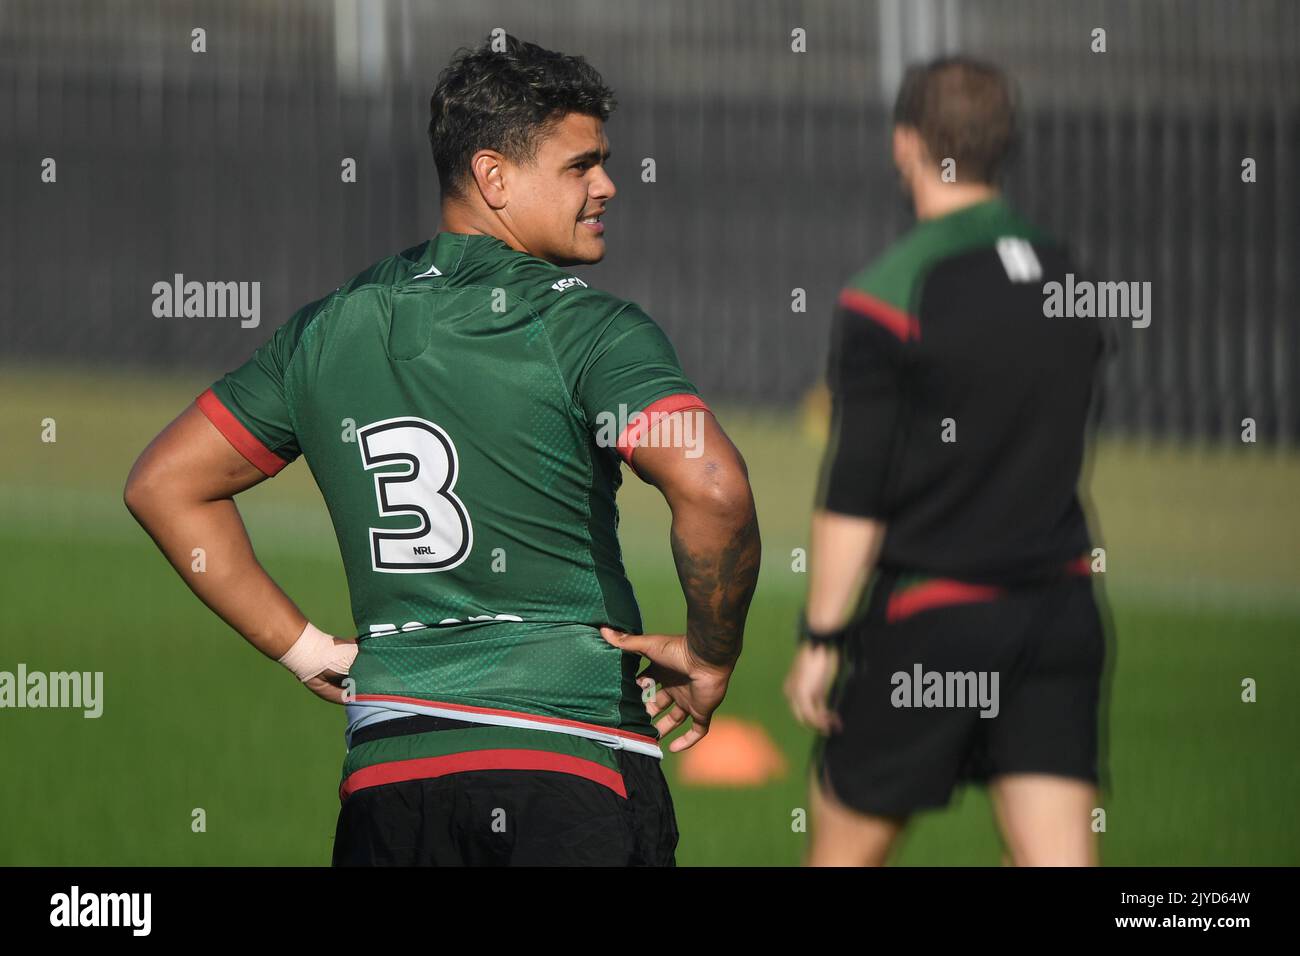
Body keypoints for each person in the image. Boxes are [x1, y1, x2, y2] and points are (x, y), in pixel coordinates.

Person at [125, 34, 760, 867]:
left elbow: (163, 484)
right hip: (570, 761)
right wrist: (712, 655)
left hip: (391, 778)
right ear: (494, 177)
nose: (609, 184)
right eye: (582, 165)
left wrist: (305, 649)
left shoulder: (329, 328)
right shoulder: (588, 328)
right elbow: (713, 488)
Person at [784, 56, 1107, 866]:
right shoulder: (1068, 274)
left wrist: (821, 635)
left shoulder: (889, 292)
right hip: (1061, 613)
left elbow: (856, 486)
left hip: (935, 620)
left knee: (840, 842)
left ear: (907, 145)